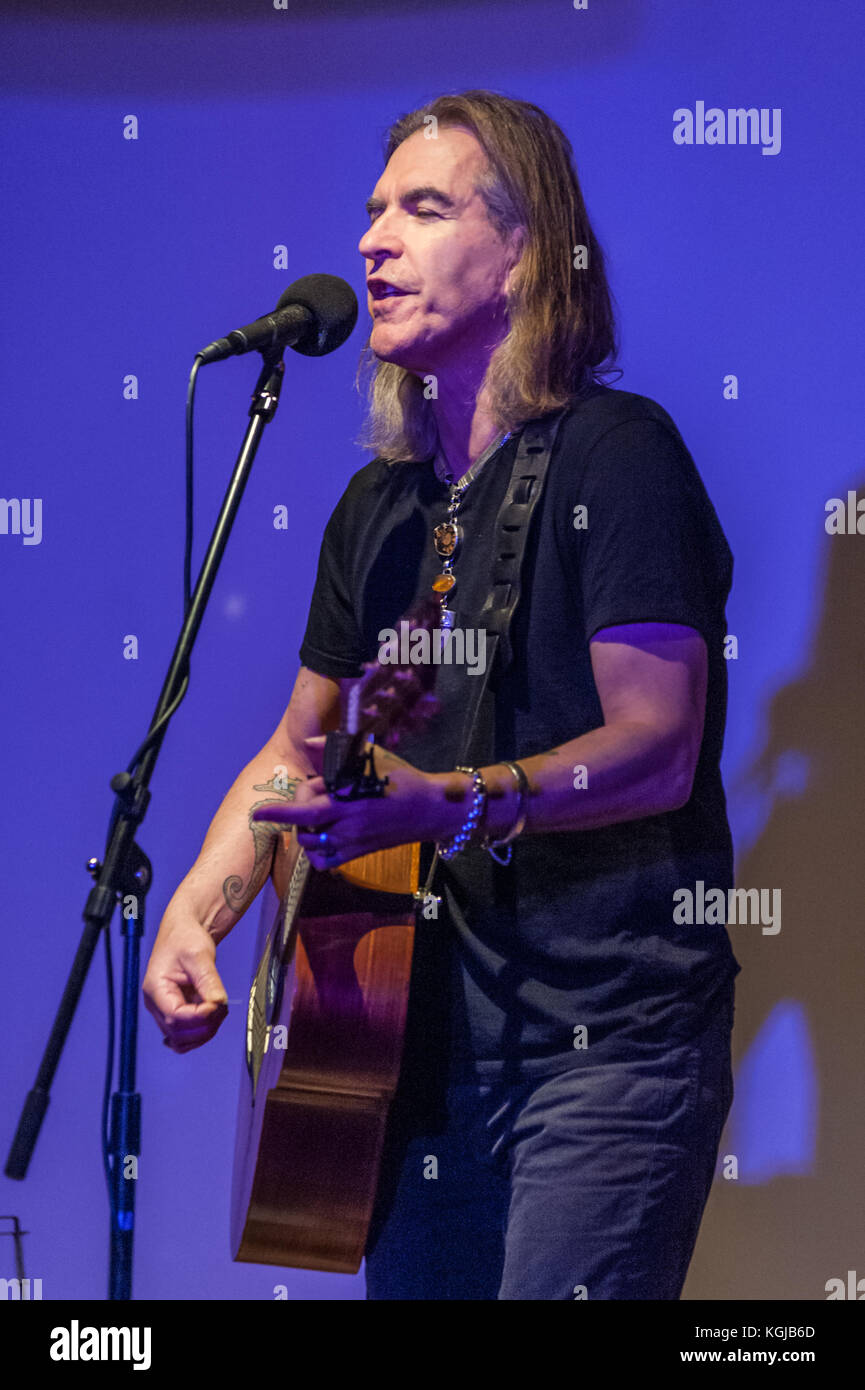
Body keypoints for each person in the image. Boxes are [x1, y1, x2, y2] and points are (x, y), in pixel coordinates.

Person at [143, 90, 740, 1300]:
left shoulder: (617, 454)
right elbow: (294, 757)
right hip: (411, 1065)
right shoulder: (381, 510)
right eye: (372, 213)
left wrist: (446, 806)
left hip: (602, 1048)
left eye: (422, 208)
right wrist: (195, 916)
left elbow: (657, 743)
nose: (371, 243)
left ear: (525, 250)